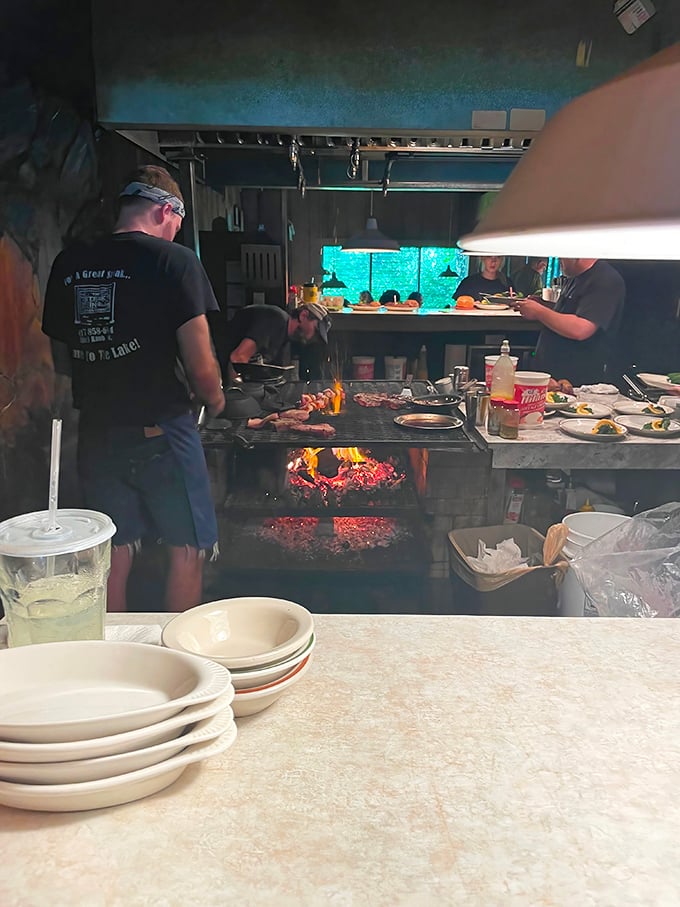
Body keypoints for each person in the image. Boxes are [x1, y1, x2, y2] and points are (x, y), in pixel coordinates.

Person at [42, 165, 225, 613]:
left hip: (98, 432)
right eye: (178, 223)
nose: (176, 233)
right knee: (187, 546)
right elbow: (201, 367)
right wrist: (217, 400)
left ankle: (114, 650)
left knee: (113, 549)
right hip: (163, 432)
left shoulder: (68, 263)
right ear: (165, 211)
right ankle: (181, 651)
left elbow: (61, 360)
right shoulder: (174, 261)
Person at [514, 258, 625, 386]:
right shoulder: (575, 276)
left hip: (577, 381)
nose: (559, 259)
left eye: (562, 255)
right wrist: (544, 305)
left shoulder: (604, 279)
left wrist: (539, 311)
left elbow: (581, 328)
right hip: (554, 375)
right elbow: (569, 313)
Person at [224, 302, 331, 379]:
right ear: (304, 315)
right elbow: (238, 357)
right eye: (316, 330)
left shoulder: (284, 337)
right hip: (220, 369)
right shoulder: (276, 319)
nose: (313, 338)